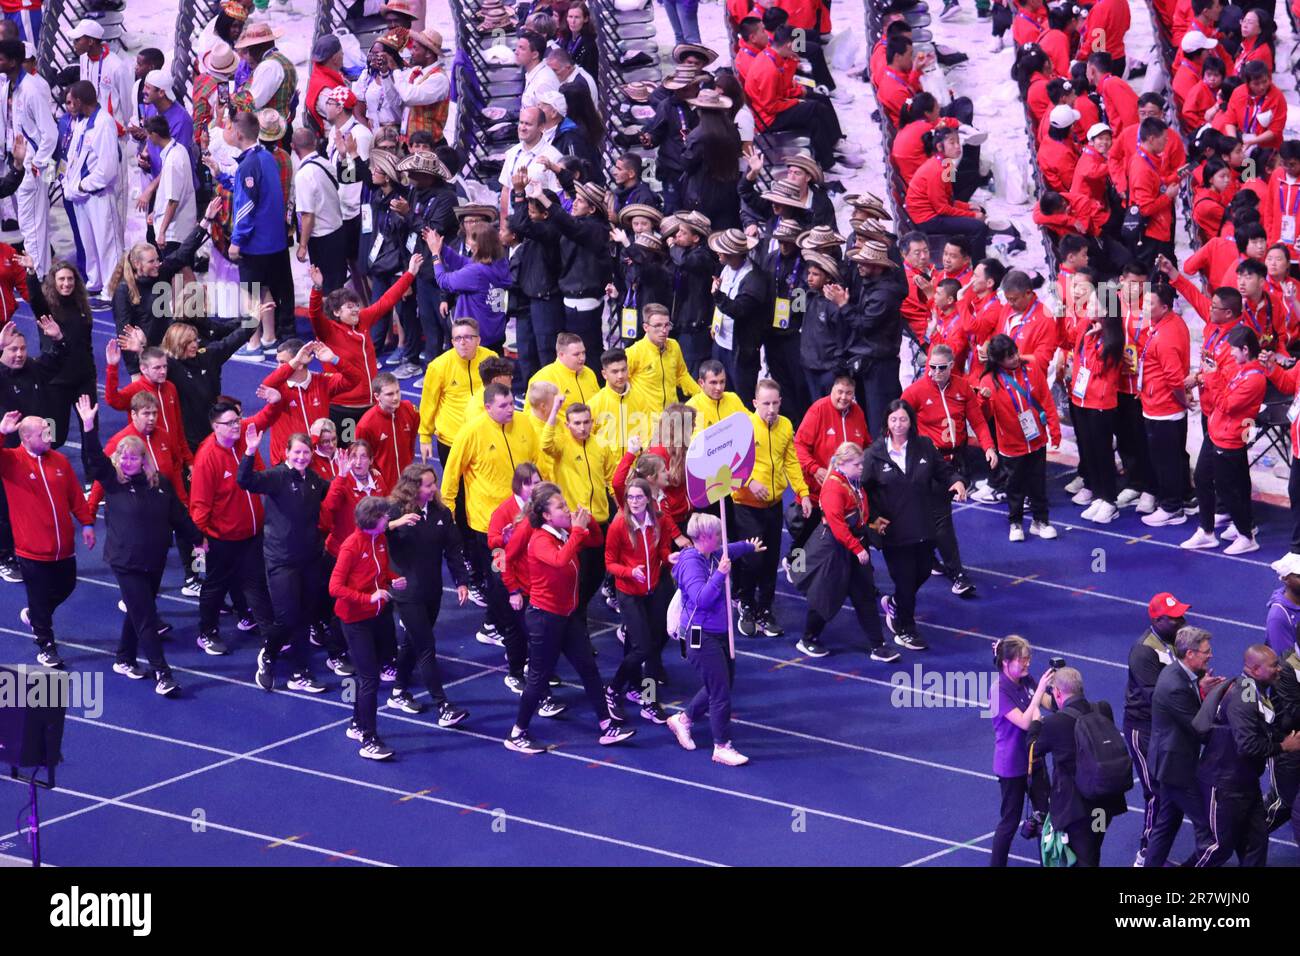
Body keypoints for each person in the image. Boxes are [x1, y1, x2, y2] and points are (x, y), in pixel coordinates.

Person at [504, 484, 635, 753]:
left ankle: (606, 726)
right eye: (561, 506)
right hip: (545, 619)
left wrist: (589, 523)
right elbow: (560, 560)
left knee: (588, 668)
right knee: (538, 678)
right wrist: (576, 530)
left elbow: (596, 540)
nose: (567, 509)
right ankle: (517, 732)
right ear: (546, 516)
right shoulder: (541, 539)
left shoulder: (563, 533)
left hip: (567, 615)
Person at [861, 400, 966, 651]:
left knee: (923, 571)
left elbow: (945, 471)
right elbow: (861, 491)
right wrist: (872, 519)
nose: (898, 424)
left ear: (911, 422)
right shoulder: (873, 455)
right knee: (905, 579)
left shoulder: (924, 447)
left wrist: (957, 481)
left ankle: (896, 603)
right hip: (893, 531)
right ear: (886, 422)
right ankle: (904, 627)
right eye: (894, 419)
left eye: (903, 419)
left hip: (922, 525)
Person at [235, 423, 330, 693]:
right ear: (287, 452)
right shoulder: (277, 476)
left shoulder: (311, 479)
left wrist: (345, 476)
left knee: (304, 615)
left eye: (306, 453)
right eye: (297, 452)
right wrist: (251, 451)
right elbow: (246, 481)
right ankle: (268, 654)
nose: (301, 457)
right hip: (281, 561)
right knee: (287, 617)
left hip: (309, 559)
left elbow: (332, 493)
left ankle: (301, 671)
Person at [188, 392, 283, 656]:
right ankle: (207, 633)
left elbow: (265, 418)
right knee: (215, 587)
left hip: (252, 533)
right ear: (215, 426)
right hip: (222, 538)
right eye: (230, 422)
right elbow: (200, 503)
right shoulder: (207, 458)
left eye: (237, 420)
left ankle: (269, 634)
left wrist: (275, 401)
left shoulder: (243, 439)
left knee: (256, 583)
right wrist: (199, 539)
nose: (236, 425)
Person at [0, 410, 94, 668]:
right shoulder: (12, 462)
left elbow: (75, 494)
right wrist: (2, 432)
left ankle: (36, 616)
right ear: (27, 438)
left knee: (67, 586)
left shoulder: (60, 461)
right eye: (45, 433)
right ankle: (45, 643)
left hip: (64, 547)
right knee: (40, 596)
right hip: (31, 551)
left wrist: (87, 522)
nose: (51, 436)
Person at [790, 442, 897, 662]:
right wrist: (858, 548)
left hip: (853, 544)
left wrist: (871, 526)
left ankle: (877, 645)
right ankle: (808, 639)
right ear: (842, 463)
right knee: (824, 595)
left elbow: (858, 514)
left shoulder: (853, 482)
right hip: (834, 549)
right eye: (857, 464)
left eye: (862, 463)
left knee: (865, 594)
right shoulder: (833, 487)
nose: (861, 468)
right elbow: (836, 524)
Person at [666, 512, 758, 766]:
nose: (720, 538)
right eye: (717, 534)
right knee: (720, 693)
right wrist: (719, 574)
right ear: (704, 537)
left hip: (719, 632)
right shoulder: (692, 564)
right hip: (701, 636)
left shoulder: (713, 552)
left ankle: (683, 720)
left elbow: (730, 549)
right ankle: (721, 746)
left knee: (722, 683)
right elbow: (701, 598)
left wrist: (749, 546)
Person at [901, 345, 993, 594]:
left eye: (941, 368)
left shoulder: (963, 388)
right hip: (930, 463)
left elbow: (978, 421)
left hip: (957, 459)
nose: (935, 372)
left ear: (952, 366)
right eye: (931, 367)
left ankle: (929, 557)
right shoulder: (915, 392)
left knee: (931, 515)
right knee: (942, 519)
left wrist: (988, 448)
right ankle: (958, 574)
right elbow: (896, 421)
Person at [1196, 644, 1300, 866]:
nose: (1279, 669)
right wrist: (1284, 746)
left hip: (1244, 781)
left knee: (1256, 842)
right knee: (1219, 848)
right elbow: (1248, 745)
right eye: (1273, 666)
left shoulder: (1253, 690)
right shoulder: (1244, 696)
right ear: (1254, 669)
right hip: (1224, 784)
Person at [385, 462, 471, 725]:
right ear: (412, 487)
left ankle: (399, 690)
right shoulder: (394, 510)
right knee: (426, 646)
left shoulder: (440, 513)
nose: (434, 488)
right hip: (406, 591)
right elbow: (371, 533)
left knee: (413, 641)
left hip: (432, 589)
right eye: (428, 484)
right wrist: (395, 523)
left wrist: (461, 581)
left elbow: (453, 549)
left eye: (434, 483)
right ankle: (443, 705)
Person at [330, 495, 407, 760]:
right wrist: (368, 598)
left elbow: (380, 573)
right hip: (354, 620)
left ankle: (356, 723)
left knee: (369, 675)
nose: (389, 519)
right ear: (373, 519)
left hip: (376, 616)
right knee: (370, 678)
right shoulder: (351, 546)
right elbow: (335, 587)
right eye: (385, 516)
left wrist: (393, 580)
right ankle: (369, 738)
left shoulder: (380, 540)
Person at [733, 379, 811, 639]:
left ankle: (765, 609)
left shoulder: (786, 425)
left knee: (769, 561)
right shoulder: (742, 427)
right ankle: (745, 605)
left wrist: (803, 492)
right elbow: (727, 466)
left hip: (774, 504)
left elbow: (791, 461)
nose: (771, 409)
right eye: (765, 403)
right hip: (746, 505)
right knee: (752, 559)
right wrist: (749, 482)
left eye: (775, 403)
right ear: (755, 403)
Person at [308, 256, 420, 436]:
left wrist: (410, 274)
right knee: (350, 452)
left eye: (356, 305)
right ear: (336, 312)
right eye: (349, 306)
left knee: (373, 451)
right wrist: (317, 288)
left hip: (372, 406)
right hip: (345, 408)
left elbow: (387, 300)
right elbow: (314, 314)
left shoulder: (363, 320)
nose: (355, 310)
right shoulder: (328, 331)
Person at [1031, 667, 1128, 866]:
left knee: (1082, 858)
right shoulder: (1103, 708)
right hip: (1104, 804)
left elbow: (1032, 749)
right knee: (1094, 847)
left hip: (1077, 809)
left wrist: (1035, 724)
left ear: (1057, 693)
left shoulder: (1053, 723)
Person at [1182, 326, 1265, 554]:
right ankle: (1207, 532)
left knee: (1228, 490)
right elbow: (1223, 381)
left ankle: (1246, 535)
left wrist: (1211, 378)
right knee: (1201, 477)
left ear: (1246, 350)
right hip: (1217, 433)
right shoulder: (1241, 369)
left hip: (1229, 439)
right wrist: (1212, 373)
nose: (1231, 355)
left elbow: (1227, 404)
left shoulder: (1254, 379)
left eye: (1234, 351)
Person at [215, 111, 294, 345]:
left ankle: (253, 342)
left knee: (250, 293)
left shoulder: (248, 165)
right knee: (264, 289)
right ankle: (269, 337)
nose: (226, 132)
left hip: (255, 243)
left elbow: (246, 205)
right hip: (273, 240)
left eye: (228, 128)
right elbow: (249, 190)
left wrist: (237, 240)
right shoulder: (265, 157)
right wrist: (220, 175)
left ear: (238, 134)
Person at [1123, 592, 1190, 866]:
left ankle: (1155, 852)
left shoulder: (1173, 643)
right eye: (1174, 619)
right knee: (1156, 793)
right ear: (1158, 620)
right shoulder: (1144, 651)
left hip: (1164, 727)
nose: (1182, 621)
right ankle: (1145, 854)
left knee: (1171, 793)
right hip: (1143, 728)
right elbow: (1155, 697)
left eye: (1181, 615)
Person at [604, 477, 675, 722]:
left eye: (638, 497)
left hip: (652, 592)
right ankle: (613, 689)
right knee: (643, 647)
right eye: (630, 497)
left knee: (652, 647)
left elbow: (662, 549)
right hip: (629, 594)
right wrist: (629, 572)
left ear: (648, 498)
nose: (634, 501)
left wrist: (669, 558)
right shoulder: (618, 526)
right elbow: (610, 562)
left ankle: (649, 700)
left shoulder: (659, 520)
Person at [978, 334, 1061, 541]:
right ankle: (1015, 523)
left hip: (1037, 439)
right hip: (1011, 444)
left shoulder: (1032, 370)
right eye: (1008, 357)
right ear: (997, 360)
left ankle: (1040, 521)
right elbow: (983, 416)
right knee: (1014, 486)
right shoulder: (989, 381)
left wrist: (1054, 429)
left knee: (1038, 483)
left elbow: (1046, 400)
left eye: (1014, 352)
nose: (1014, 358)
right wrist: (983, 399)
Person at [990, 636, 1053, 867]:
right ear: (1006, 662)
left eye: (1028, 659)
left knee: (1045, 816)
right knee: (1010, 821)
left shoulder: (1025, 680)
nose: (1027, 665)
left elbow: (1047, 701)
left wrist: (1061, 694)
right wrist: (1038, 697)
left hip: (1034, 759)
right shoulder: (998, 690)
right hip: (1012, 765)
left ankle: (1048, 862)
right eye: (1022, 660)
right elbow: (1025, 722)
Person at [0, 39, 57, 278]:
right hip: (17, 162)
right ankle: (40, 272)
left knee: (32, 224)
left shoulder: (32, 90)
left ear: (13, 61)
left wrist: (38, 163)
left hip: (33, 165)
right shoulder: (7, 88)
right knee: (31, 223)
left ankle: (37, 276)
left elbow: (50, 132)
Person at [61, 80, 121, 299]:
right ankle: (95, 280)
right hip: (80, 195)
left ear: (79, 100)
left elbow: (107, 168)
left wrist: (83, 185)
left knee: (107, 243)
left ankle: (112, 287)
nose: (68, 105)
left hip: (98, 194)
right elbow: (73, 157)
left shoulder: (104, 123)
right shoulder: (81, 122)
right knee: (89, 242)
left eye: (71, 100)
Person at [355, 373, 419, 492]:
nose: (396, 397)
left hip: (409, 482)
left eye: (397, 392)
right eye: (390, 394)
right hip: (384, 488)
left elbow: (412, 441)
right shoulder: (365, 425)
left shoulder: (410, 410)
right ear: (377, 396)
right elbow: (364, 460)